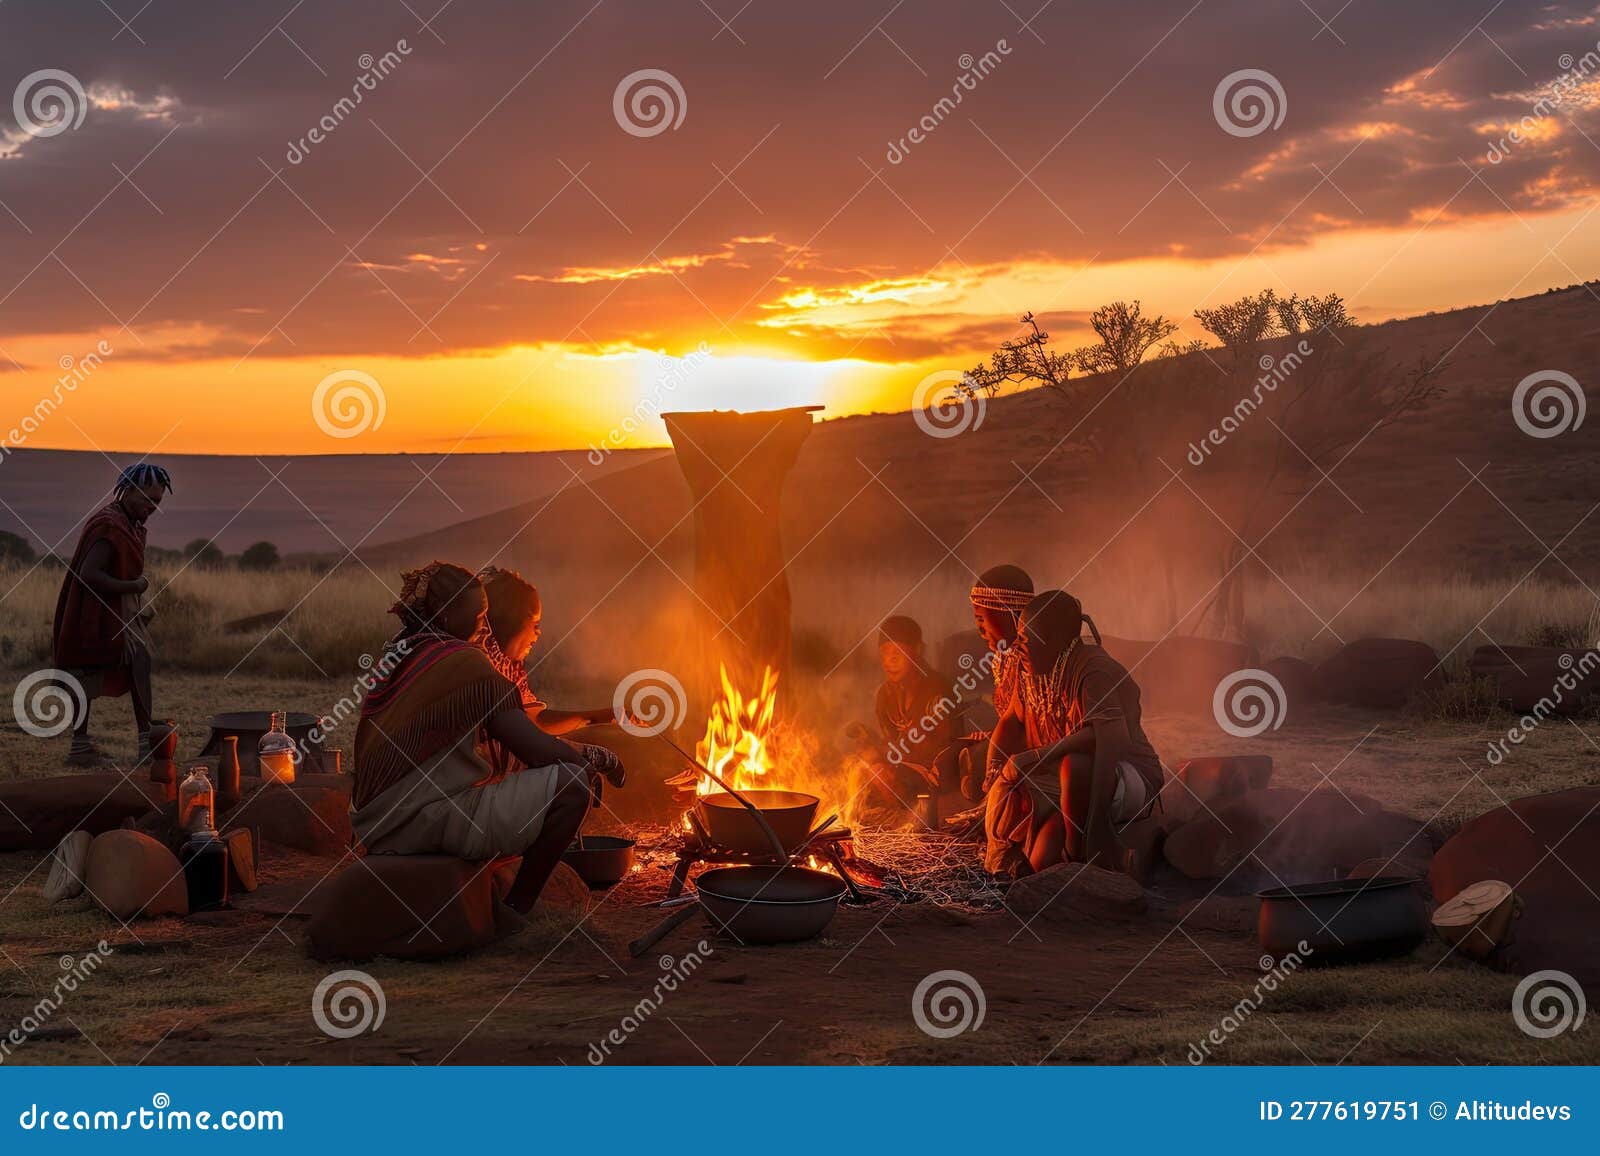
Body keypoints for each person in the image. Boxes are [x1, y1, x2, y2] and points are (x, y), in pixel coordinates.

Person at [349, 562, 624, 914]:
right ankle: (517, 910)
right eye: (479, 615)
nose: (485, 624)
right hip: (418, 820)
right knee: (570, 785)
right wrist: (589, 761)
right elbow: (534, 746)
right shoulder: (465, 662)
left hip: (380, 819)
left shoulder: (403, 653)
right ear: (448, 618)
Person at [984, 590, 1163, 877]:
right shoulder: (1028, 668)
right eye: (1019, 635)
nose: (1018, 645)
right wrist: (995, 765)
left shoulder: (1094, 670)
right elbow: (1012, 720)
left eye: (1027, 638)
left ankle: (1086, 854)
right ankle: (1063, 855)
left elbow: (1105, 737)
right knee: (1034, 861)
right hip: (1057, 783)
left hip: (1118, 776)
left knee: (1074, 766)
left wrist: (1034, 757)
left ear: (1055, 642)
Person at [51, 463, 171, 767]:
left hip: (112, 611)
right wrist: (133, 585)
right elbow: (90, 574)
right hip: (96, 612)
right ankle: (92, 749)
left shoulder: (127, 522)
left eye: (156, 502)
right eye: (146, 498)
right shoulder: (110, 525)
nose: (151, 507)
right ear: (128, 490)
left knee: (134, 663)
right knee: (90, 670)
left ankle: (134, 744)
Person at [937, 564, 1034, 802]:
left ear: (1008, 614)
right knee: (949, 759)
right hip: (1015, 743)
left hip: (1037, 749)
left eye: (982, 618)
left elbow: (1030, 727)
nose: (979, 629)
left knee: (980, 760)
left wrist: (993, 755)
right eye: (975, 619)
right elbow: (1008, 719)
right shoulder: (1003, 657)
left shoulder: (1035, 658)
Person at [847, 615, 958, 819]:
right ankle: (893, 809)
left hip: (935, 776)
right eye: (885, 654)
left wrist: (901, 750)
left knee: (878, 772)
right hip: (902, 773)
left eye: (898, 653)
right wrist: (871, 742)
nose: (890, 661)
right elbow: (891, 742)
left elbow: (945, 746)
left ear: (917, 651)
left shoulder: (937, 689)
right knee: (862, 764)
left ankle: (907, 812)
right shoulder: (885, 696)